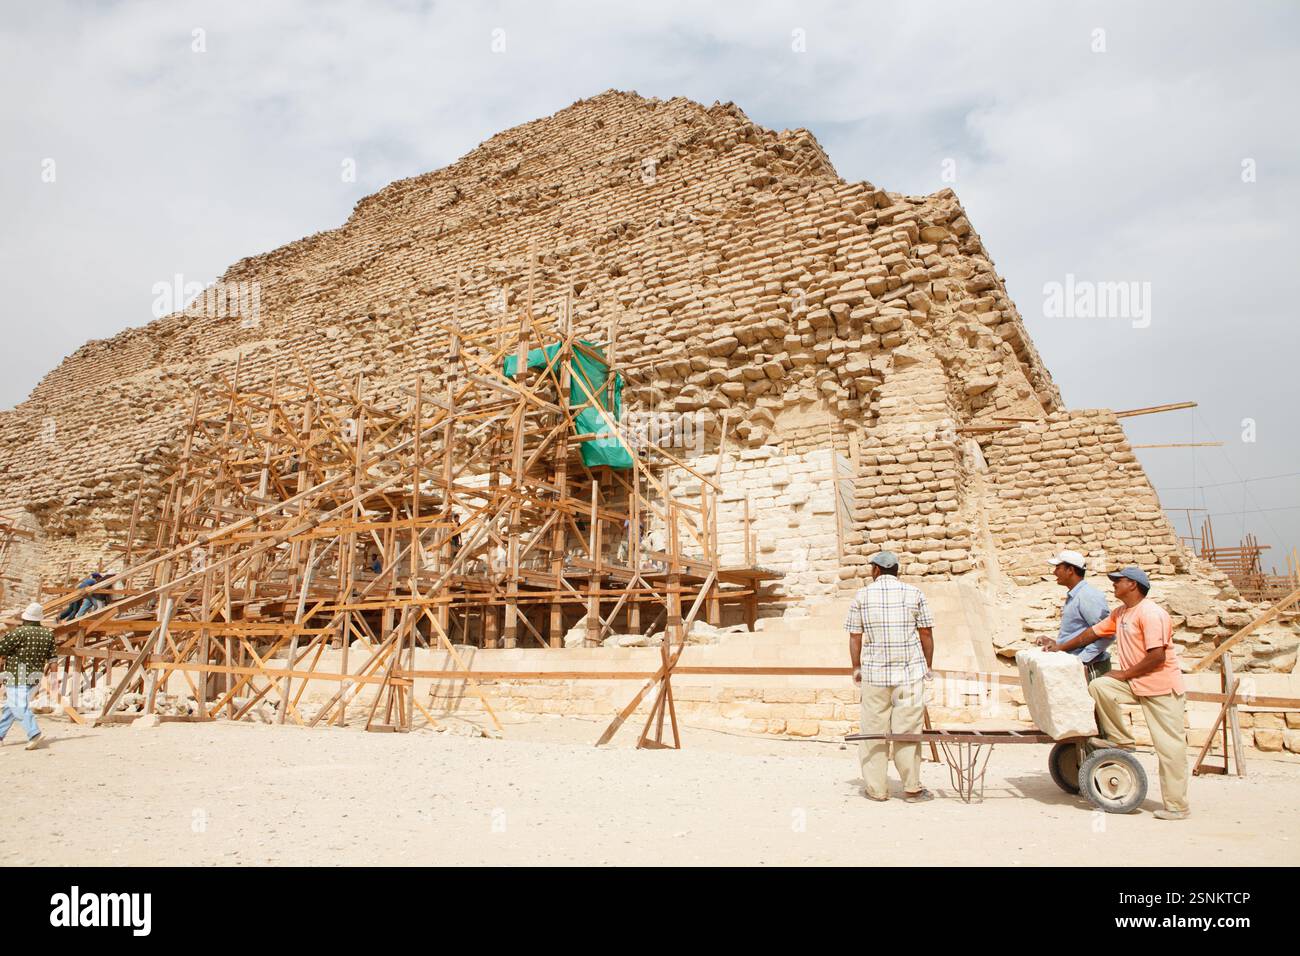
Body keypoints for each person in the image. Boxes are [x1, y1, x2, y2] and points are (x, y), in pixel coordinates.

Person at [1047, 566, 1189, 821]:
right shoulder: (1121, 613)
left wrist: (1123, 674)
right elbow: (1090, 634)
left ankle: (1177, 805)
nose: (1113, 584)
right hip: (1136, 682)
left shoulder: (1151, 613)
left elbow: (1157, 656)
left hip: (1160, 687)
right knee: (1100, 686)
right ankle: (1121, 739)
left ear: (1133, 585)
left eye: (1118, 581)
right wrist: (1059, 647)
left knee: (1169, 748)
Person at [844, 551, 936, 803]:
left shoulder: (862, 596)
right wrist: (927, 665)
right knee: (907, 731)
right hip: (909, 672)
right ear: (896, 569)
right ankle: (911, 788)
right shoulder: (914, 594)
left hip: (875, 674)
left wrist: (856, 667)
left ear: (875, 569)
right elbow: (925, 633)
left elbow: (855, 636)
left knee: (873, 731)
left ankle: (877, 789)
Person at [1036, 549, 1112, 681]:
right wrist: (1057, 643)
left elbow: (1108, 634)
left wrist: (1082, 660)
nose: (1054, 572)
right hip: (1076, 666)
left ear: (1070, 570)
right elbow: (1079, 633)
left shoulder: (1088, 596)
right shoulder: (1075, 595)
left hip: (1091, 667)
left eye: (1058, 568)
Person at [0, 603, 57, 750]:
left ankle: (34, 733)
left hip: (17, 675)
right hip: (36, 677)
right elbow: (53, 659)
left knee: (18, 706)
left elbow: (1, 648)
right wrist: (54, 679)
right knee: (10, 708)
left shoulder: (19, 632)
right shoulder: (48, 634)